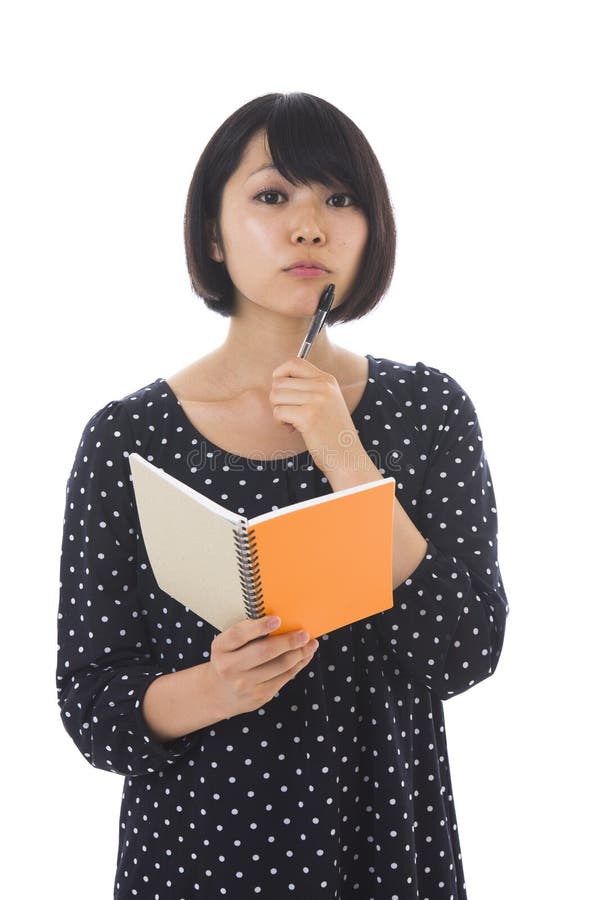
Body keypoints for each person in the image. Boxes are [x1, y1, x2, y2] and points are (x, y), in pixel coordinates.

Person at [56, 91, 509, 899]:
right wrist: (216, 687)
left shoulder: (430, 410)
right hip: (194, 858)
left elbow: (466, 646)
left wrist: (343, 453)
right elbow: (93, 707)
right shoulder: (128, 437)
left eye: (340, 199)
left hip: (382, 848)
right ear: (212, 235)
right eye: (273, 196)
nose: (311, 225)